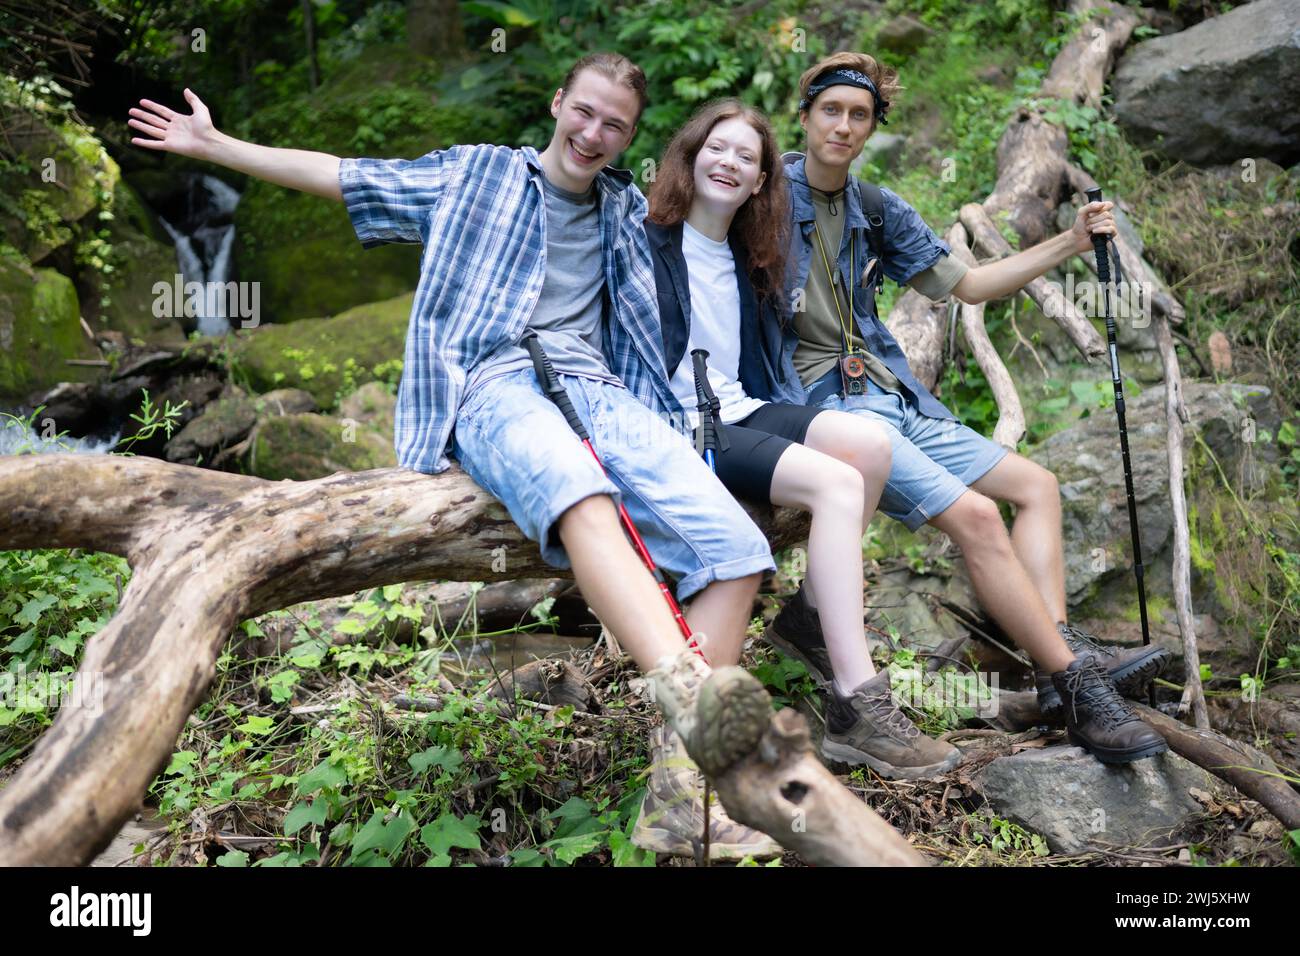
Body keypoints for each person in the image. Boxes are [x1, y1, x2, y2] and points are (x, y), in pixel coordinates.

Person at [129, 52, 783, 859]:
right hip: (492, 383)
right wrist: (219, 147)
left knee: (737, 547)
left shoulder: (622, 210)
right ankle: (700, 722)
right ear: (557, 103)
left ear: (630, 139)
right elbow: (347, 176)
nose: (592, 133)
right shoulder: (475, 177)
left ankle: (680, 786)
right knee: (577, 490)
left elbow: (713, 249)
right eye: (584, 112)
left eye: (614, 125)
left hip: (596, 388)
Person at [766, 51, 1170, 765]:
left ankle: (1055, 657)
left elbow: (974, 285)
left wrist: (1070, 241)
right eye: (831, 110)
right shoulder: (761, 197)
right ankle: (1079, 691)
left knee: (1035, 487)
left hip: (888, 391)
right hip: (827, 407)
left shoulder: (874, 206)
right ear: (804, 115)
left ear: (871, 128)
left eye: (860, 116)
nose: (844, 125)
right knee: (977, 516)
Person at [643, 98, 961, 786]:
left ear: (762, 182)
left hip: (741, 406)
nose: (729, 163)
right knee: (838, 484)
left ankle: (811, 621)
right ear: (690, 155)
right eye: (717, 149)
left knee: (869, 446)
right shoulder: (646, 238)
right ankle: (857, 702)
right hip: (681, 422)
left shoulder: (750, 254)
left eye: (747, 158)